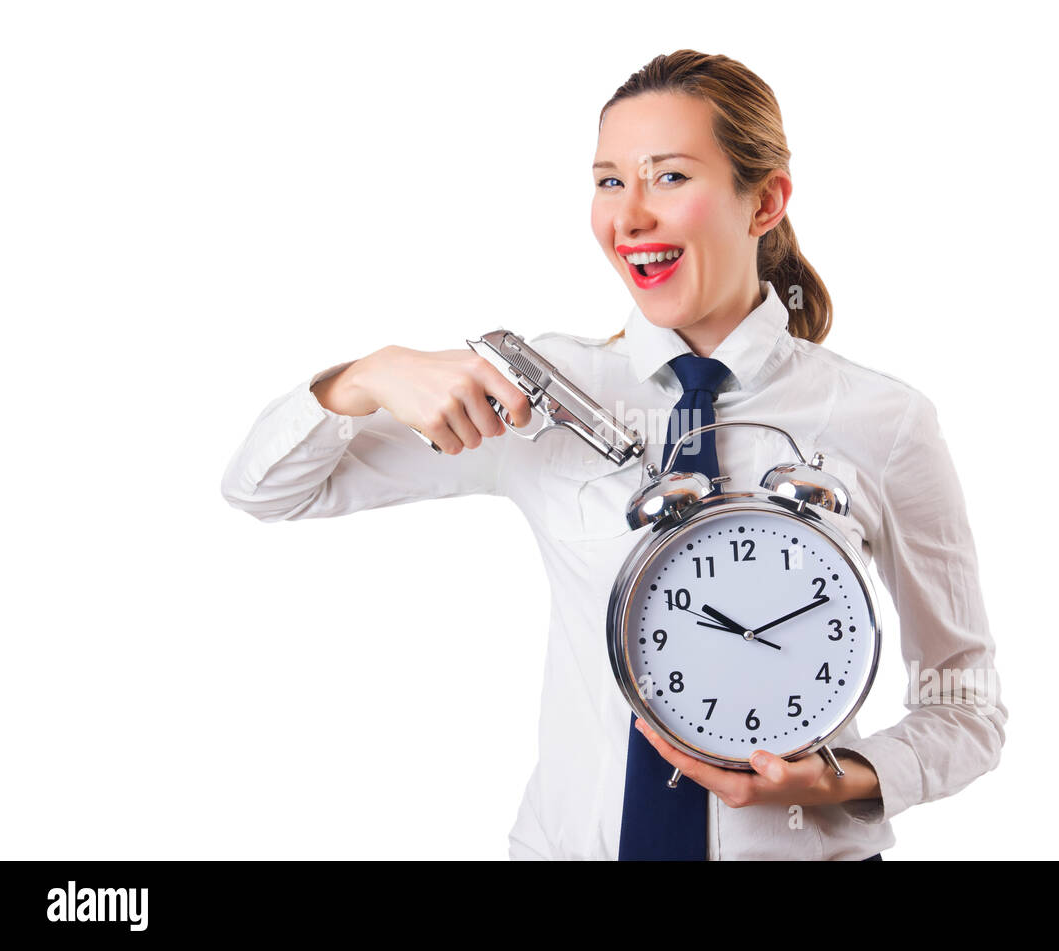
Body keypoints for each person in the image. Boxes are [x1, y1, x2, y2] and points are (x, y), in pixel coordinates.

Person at [220, 49, 1007, 860]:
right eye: (608, 180)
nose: (628, 216)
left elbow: (967, 704)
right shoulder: (541, 397)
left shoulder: (885, 421)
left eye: (668, 177)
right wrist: (365, 376)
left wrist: (835, 778)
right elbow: (266, 490)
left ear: (764, 200)